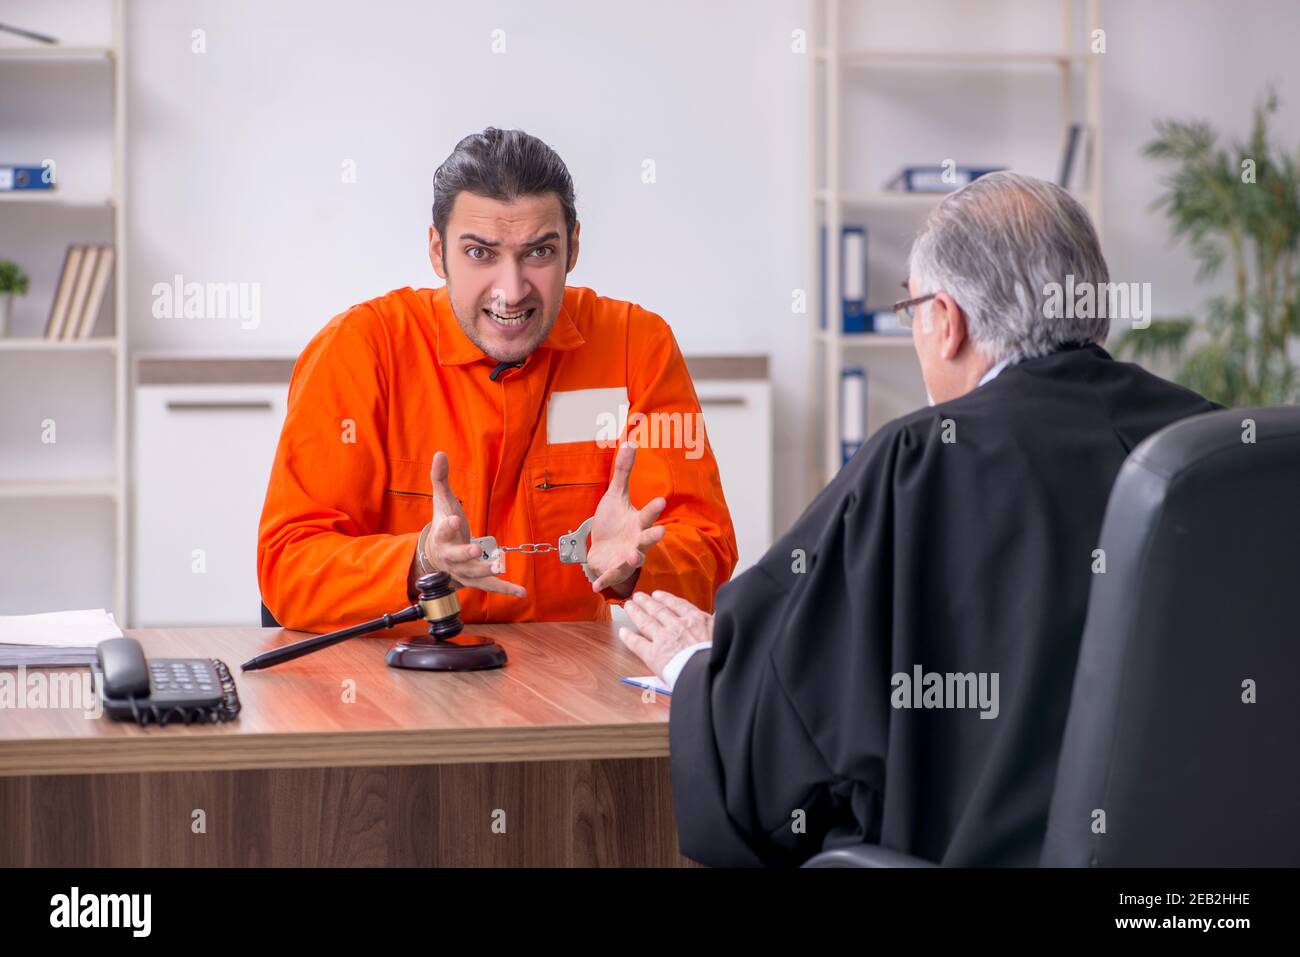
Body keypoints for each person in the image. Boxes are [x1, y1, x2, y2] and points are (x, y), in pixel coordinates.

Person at [619, 172, 1221, 866]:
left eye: (911, 312)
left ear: (948, 318)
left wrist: (697, 664)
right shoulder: (1206, 445)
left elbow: (777, 740)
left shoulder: (921, 461)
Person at [258, 128, 737, 634]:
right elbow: (289, 567)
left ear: (573, 248)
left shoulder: (635, 346)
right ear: (437, 250)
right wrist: (419, 559)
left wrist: (636, 565)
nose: (511, 291)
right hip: (395, 689)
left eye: (539, 253)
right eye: (481, 253)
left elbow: (708, 551)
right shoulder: (360, 349)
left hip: (569, 692)